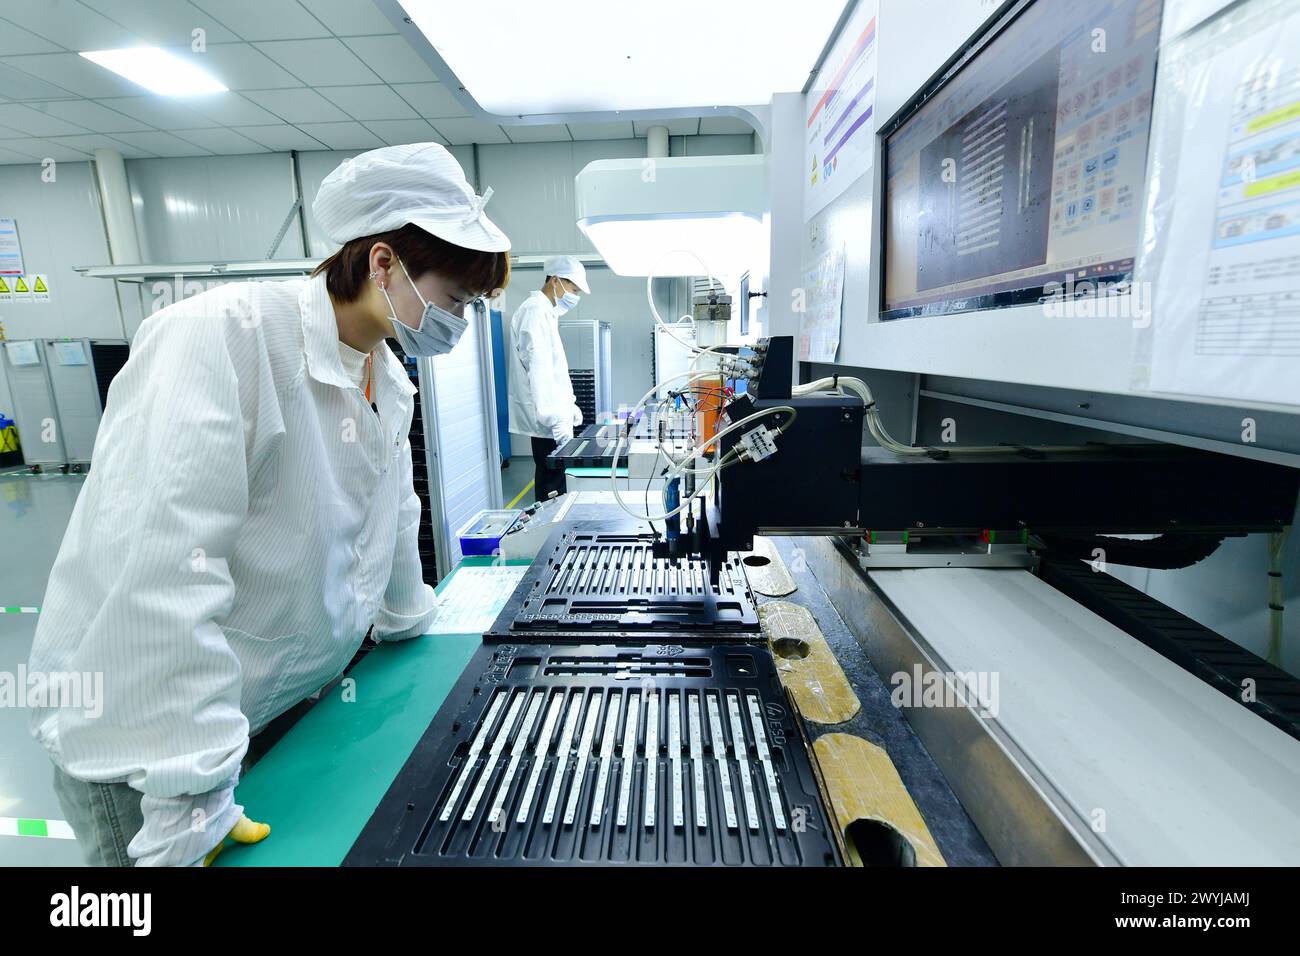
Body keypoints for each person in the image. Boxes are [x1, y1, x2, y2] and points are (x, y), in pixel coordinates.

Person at [27, 143, 510, 867]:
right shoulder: (226, 337)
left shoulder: (387, 376)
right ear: (384, 262)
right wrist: (189, 804)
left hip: (266, 715)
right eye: (456, 298)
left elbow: (390, 516)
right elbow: (162, 572)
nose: (459, 320)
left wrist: (411, 622)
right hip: (149, 756)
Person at [507, 255, 590, 501]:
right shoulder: (534, 311)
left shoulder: (546, 312)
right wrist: (555, 418)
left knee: (553, 481)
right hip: (549, 424)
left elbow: (554, 370)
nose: (575, 296)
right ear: (555, 280)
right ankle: (548, 534)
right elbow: (539, 369)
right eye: (573, 289)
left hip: (553, 420)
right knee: (552, 488)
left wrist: (568, 405)